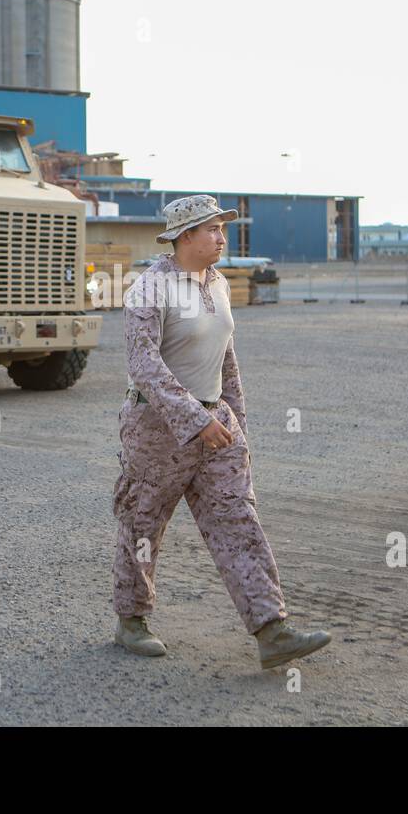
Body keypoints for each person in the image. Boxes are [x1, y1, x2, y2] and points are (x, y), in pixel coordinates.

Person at [111, 194, 332, 669]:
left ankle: (271, 629)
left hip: (216, 428)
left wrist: (236, 420)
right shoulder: (149, 289)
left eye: (222, 229)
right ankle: (131, 621)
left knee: (237, 520)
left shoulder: (218, 284)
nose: (221, 237)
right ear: (183, 236)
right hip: (157, 431)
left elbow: (226, 359)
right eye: (212, 229)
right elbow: (144, 366)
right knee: (143, 522)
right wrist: (195, 418)